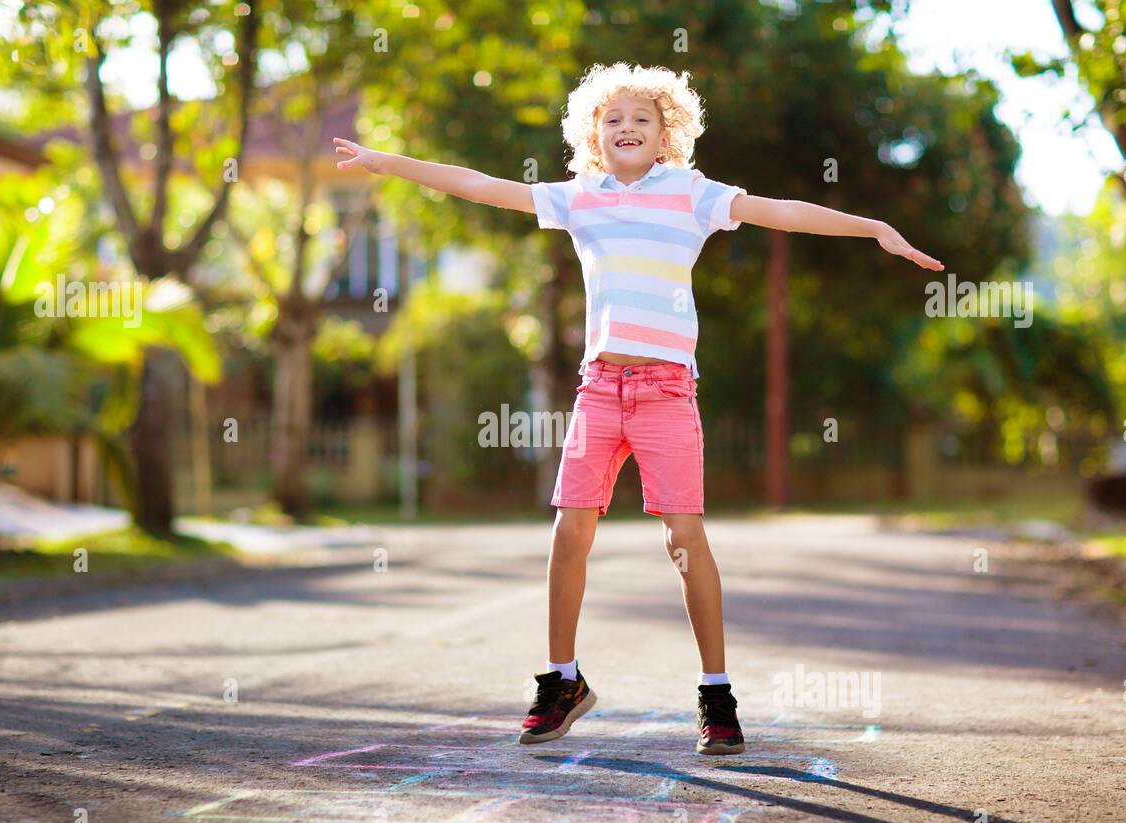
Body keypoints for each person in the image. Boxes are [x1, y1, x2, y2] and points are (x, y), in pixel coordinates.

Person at [334, 62, 942, 755]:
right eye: (613, 120)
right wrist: (385, 161)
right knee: (570, 531)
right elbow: (477, 184)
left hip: (666, 391)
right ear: (594, 135)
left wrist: (873, 228)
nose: (626, 128)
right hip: (599, 390)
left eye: (642, 120)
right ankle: (562, 681)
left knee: (684, 539)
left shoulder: (692, 194)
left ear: (667, 135)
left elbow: (782, 212)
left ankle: (717, 694)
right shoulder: (579, 198)